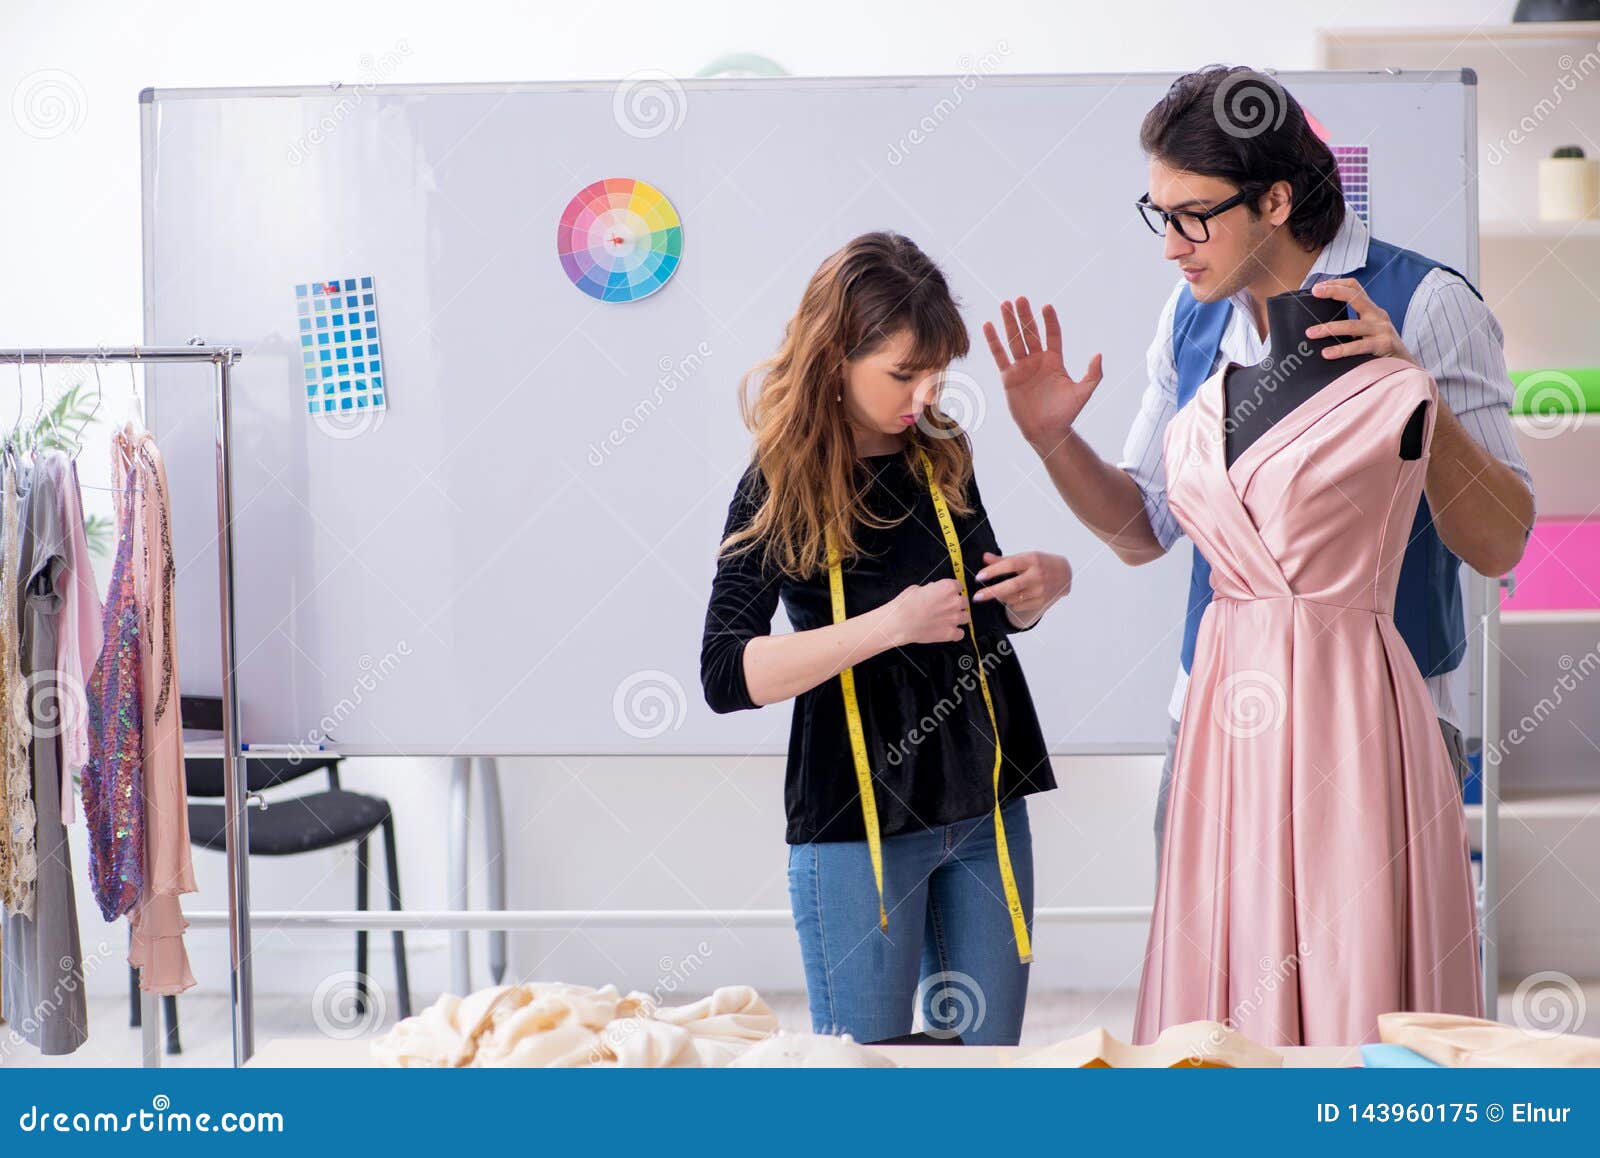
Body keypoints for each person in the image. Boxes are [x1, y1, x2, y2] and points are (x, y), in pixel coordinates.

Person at [984, 66, 1534, 879]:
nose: (1171, 246)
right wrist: (1053, 442)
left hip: (1385, 717)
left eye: (1193, 217)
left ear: (1275, 202)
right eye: (1159, 216)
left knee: (1368, 991)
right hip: (1214, 717)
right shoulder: (1189, 312)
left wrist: (1417, 398)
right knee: (1218, 993)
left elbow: (1500, 545)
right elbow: (1143, 533)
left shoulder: (1425, 305)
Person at [699, 232, 1069, 1045]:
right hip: (853, 823)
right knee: (863, 1085)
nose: (926, 392)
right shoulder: (780, 482)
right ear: (835, 357)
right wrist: (886, 625)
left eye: (938, 371)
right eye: (904, 373)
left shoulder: (942, 452)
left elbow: (983, 610)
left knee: (984, 1072)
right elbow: (727, 673)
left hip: (983, 808)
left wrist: (1042, 590)